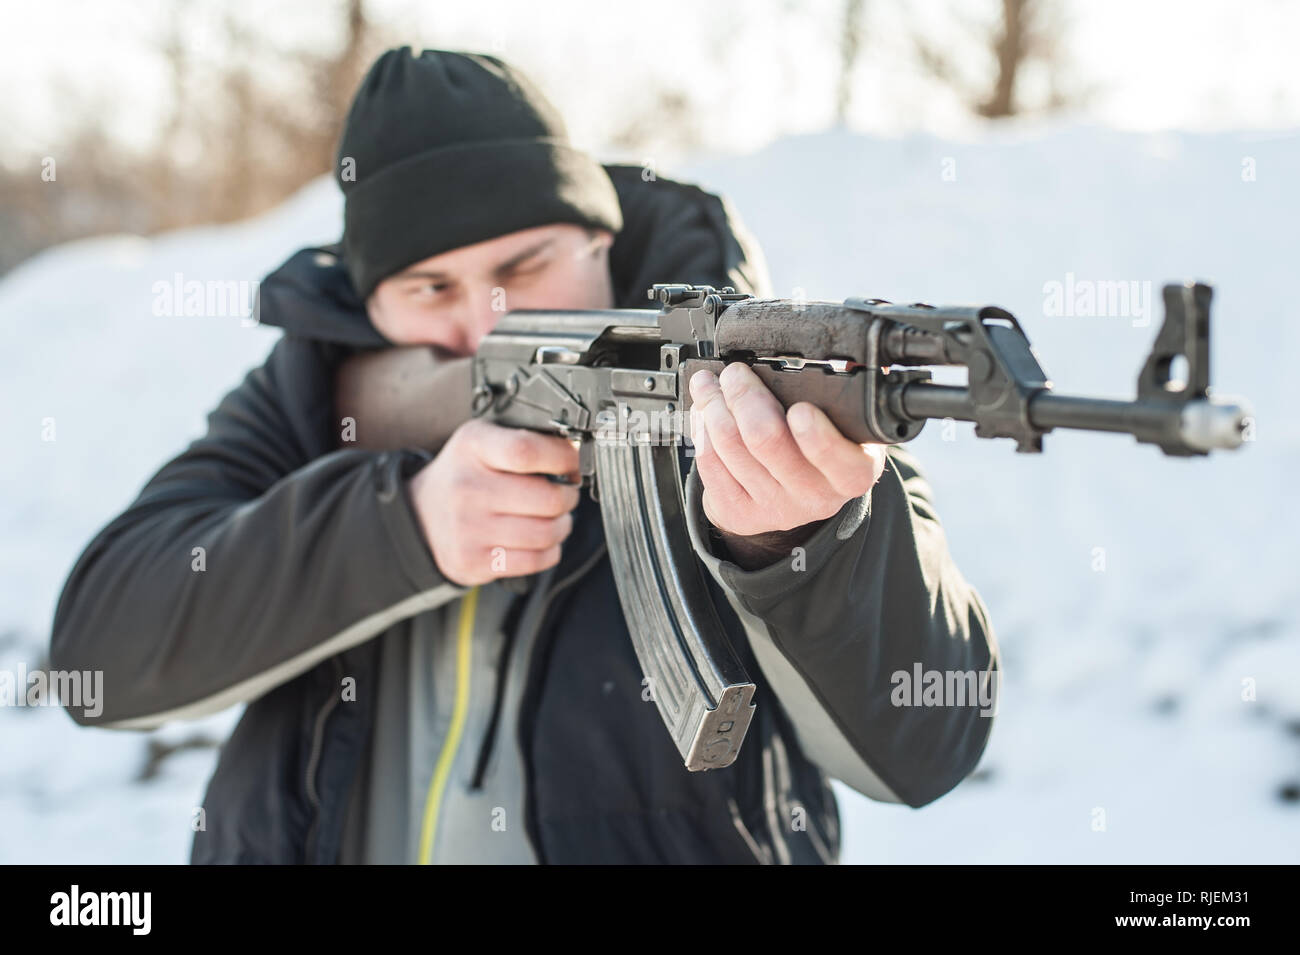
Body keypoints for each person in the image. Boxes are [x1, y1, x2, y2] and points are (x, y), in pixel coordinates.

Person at [50, 47, 999, 864]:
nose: (480, 323)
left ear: (601, 234)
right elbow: (95, 653)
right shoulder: (309, 398)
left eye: (525, 265)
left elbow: (926, 744)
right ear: (368, 303)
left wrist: (805, 547)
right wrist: (402, 530)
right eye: (429, 287)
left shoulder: (753, 381)